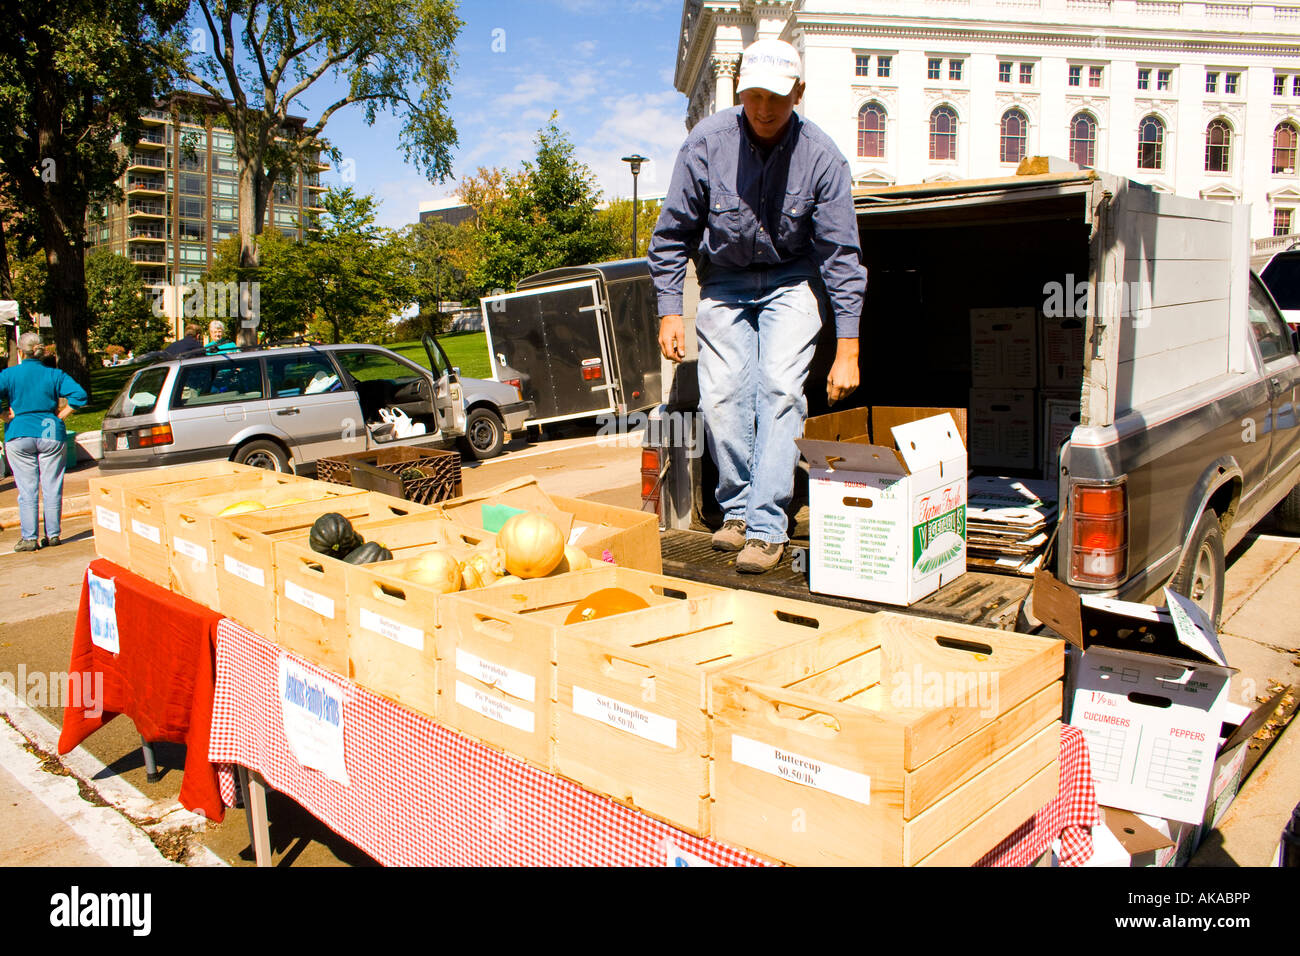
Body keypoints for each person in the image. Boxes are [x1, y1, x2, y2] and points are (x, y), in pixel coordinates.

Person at [648, 37, 867, 574]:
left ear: (798, 92)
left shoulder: (822, 157)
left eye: (776, 96)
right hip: (723, 282)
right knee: (721, 397)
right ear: (741, 90)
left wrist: (849, 348)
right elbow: (673, 233)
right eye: (753, 96)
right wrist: (669, 309)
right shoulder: (706, 144)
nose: (764, 109)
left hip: (793, 280)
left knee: (778, 388)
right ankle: (739, 511)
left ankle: (769, 526)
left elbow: (841, 256)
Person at [0, 332, 88, 551]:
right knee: (52, 485)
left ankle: (29, 538)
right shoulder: (54, 374)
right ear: (41, 352)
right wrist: (61, 415)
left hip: (19, 432)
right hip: (50, 432)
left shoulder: (8, 375)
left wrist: (3, 415)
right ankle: (53, 534)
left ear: (20, 351)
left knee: (27, 488)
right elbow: (80, 395)